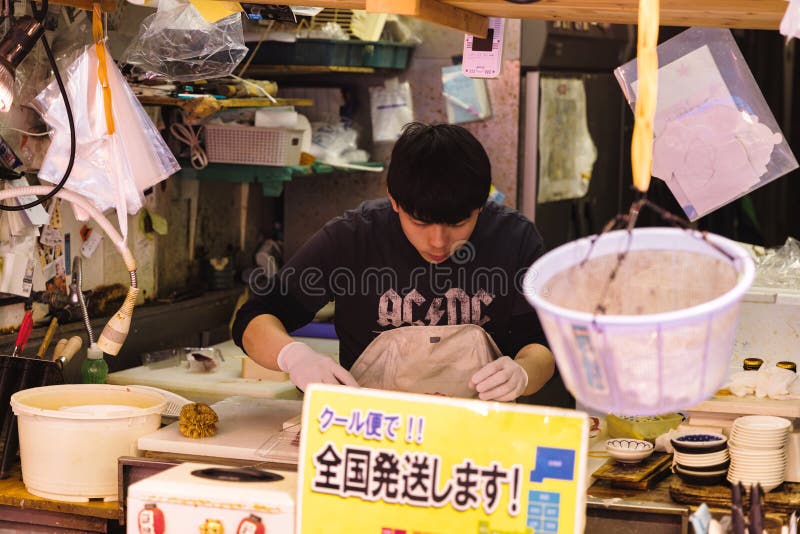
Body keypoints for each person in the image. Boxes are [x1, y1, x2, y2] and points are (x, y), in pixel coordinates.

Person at [233, 122, 561, 403]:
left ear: (481, 205)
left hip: (480, 435)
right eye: (420, 223)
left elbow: (541, 345)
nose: (438, 242)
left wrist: (523, 372)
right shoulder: (353, 238)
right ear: (394, 200)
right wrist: (295, 356)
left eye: (459, 223)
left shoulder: (514, 239)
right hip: (372, 433)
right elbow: (254, 316)